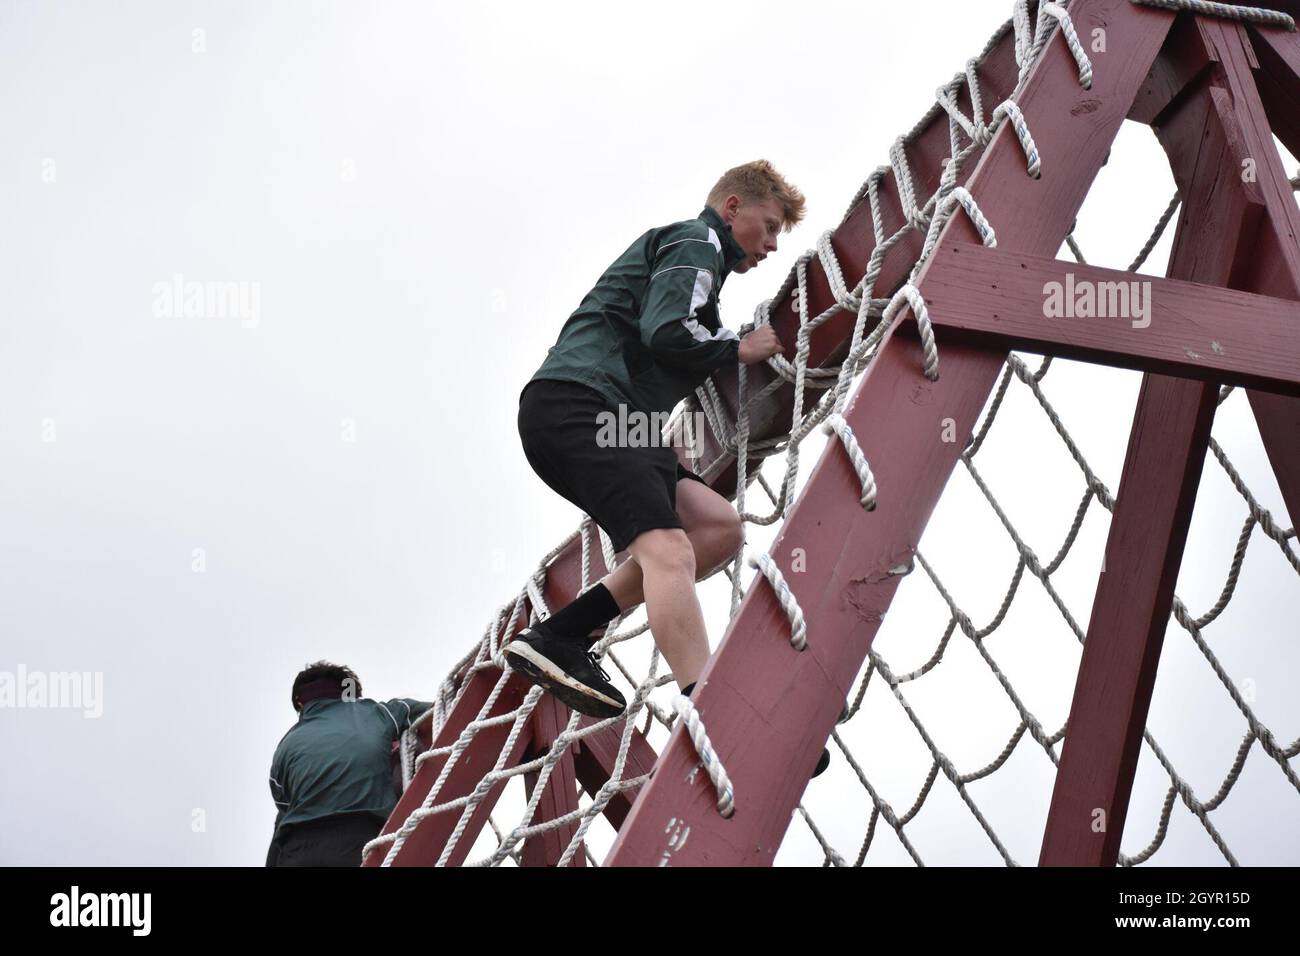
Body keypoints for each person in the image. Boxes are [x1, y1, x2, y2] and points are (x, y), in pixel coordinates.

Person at [508, 160, 828, 777]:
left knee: (717, 528)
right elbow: (663, 331)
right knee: (671, 553)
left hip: (614, 418)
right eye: (766, 227)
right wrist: (738, 346)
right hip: (583, 404)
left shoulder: (702, 274)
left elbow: (664, 339)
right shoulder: (694, 242)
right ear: (731, 208)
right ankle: (712, 711)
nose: (770, 246)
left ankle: (560, 636)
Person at [266, 661, 433, 866]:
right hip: (361, 842)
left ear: (301, 703)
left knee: (281, 822)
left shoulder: (285, 746)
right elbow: (441, 706)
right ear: (351, 694)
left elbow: (283, 802)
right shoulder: (381, 713)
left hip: (298, 851)